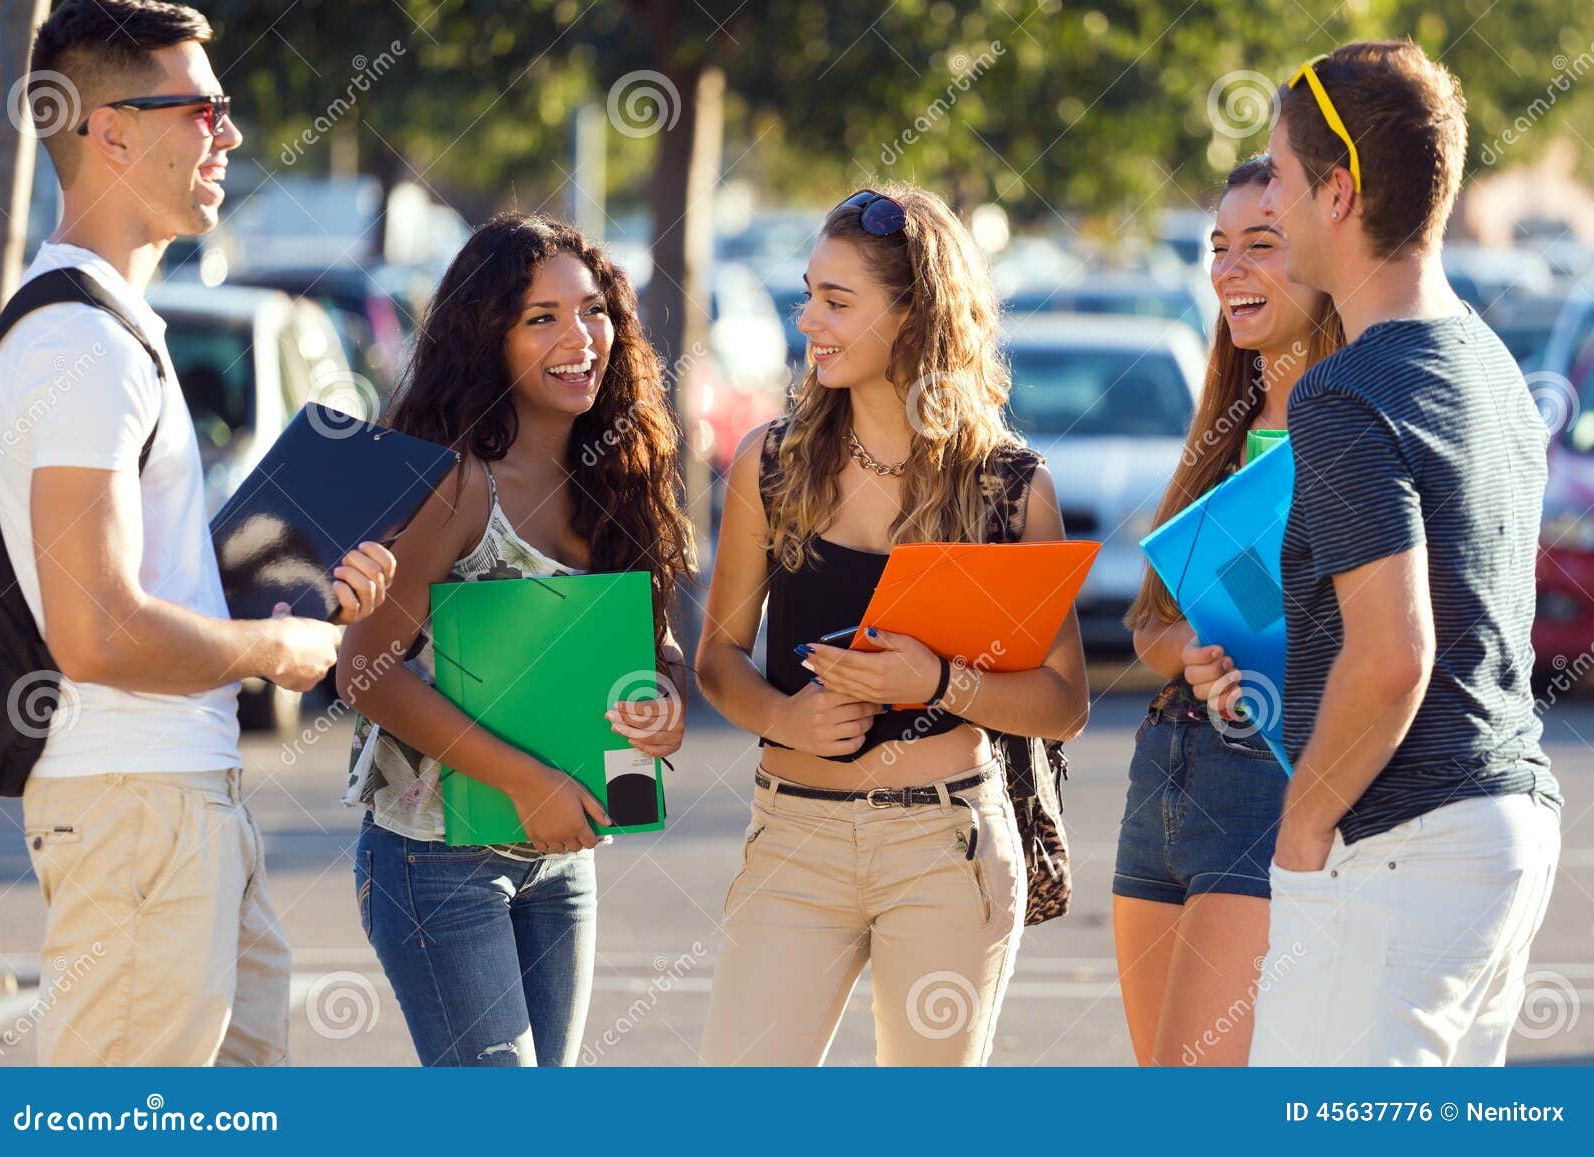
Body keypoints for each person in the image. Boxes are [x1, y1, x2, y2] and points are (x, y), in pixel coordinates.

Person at [0, 0, 395, 1066]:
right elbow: (99, 632)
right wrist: (279, 648)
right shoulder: (80, 341)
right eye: (202, 109)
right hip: (136, 800)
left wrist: (279, 588)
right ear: (112, 132)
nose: (228, 134)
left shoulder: (114, 329)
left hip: (178, 796)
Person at [1190, 40, 1562, 1066]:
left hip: (1402, 843)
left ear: (1339, 194)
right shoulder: (1488, 361)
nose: (1273, 200)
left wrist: (1301, 833)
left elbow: (1394, 652)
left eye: (1284, 177)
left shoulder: (1343, 392)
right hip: (1501, 828)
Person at [694, 185, 1090, 1066]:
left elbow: (1064, 704)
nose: (807, 322)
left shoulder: (1009, 486)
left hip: (945, 847)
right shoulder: (772, 462)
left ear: (915, 320)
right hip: (794, 834)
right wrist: (782, 716)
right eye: (809, 295)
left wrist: (942, 684)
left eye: (837, 302)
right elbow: (718, 657)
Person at [336, 213, 693, 1067]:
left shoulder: (622, 467)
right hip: (436, 861)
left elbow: (651, 640)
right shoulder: (456, 480)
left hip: (566, 855)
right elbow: (367, 671)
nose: (581, 337)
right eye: (543, 318)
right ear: (485, 337)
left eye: (595, 309)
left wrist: (665, 696)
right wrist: (528, 782)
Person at [1116, 156, 1344, 1066]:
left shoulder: (1354, 425)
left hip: (1274, 780)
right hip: (1165, 774)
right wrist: (1188, 650)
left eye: (1261, 245)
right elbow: (1149, 627)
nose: (1229, 270)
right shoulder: (1224, 422)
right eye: (1218, 247)